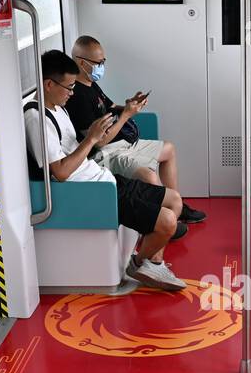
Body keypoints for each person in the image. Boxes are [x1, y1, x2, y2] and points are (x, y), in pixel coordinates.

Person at [26, 50, 185, 292]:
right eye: (68, 87)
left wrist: (95, 132)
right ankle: (140, 263)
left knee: (174, 201)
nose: (72, 93)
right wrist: (91, 139)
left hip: (103, 179)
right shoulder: (37, 119)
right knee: (168, 221)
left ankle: (151, 263)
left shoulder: (59, 107)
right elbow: (60, 172)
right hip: (89, 191)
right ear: (49, 84)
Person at [63, 35, 205, 230]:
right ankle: (161, 222)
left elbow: (111, 106)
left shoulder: (91, 84)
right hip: (108, 152)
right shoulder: (76, 96)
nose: (101, 66)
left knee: (169, 149)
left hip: (124, 142)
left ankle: (176, 207)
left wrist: (130, 105)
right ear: (81, 62)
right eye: (98, 62)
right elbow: (99, 142)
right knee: (149, 177)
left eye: (103, 61)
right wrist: (125, 116)